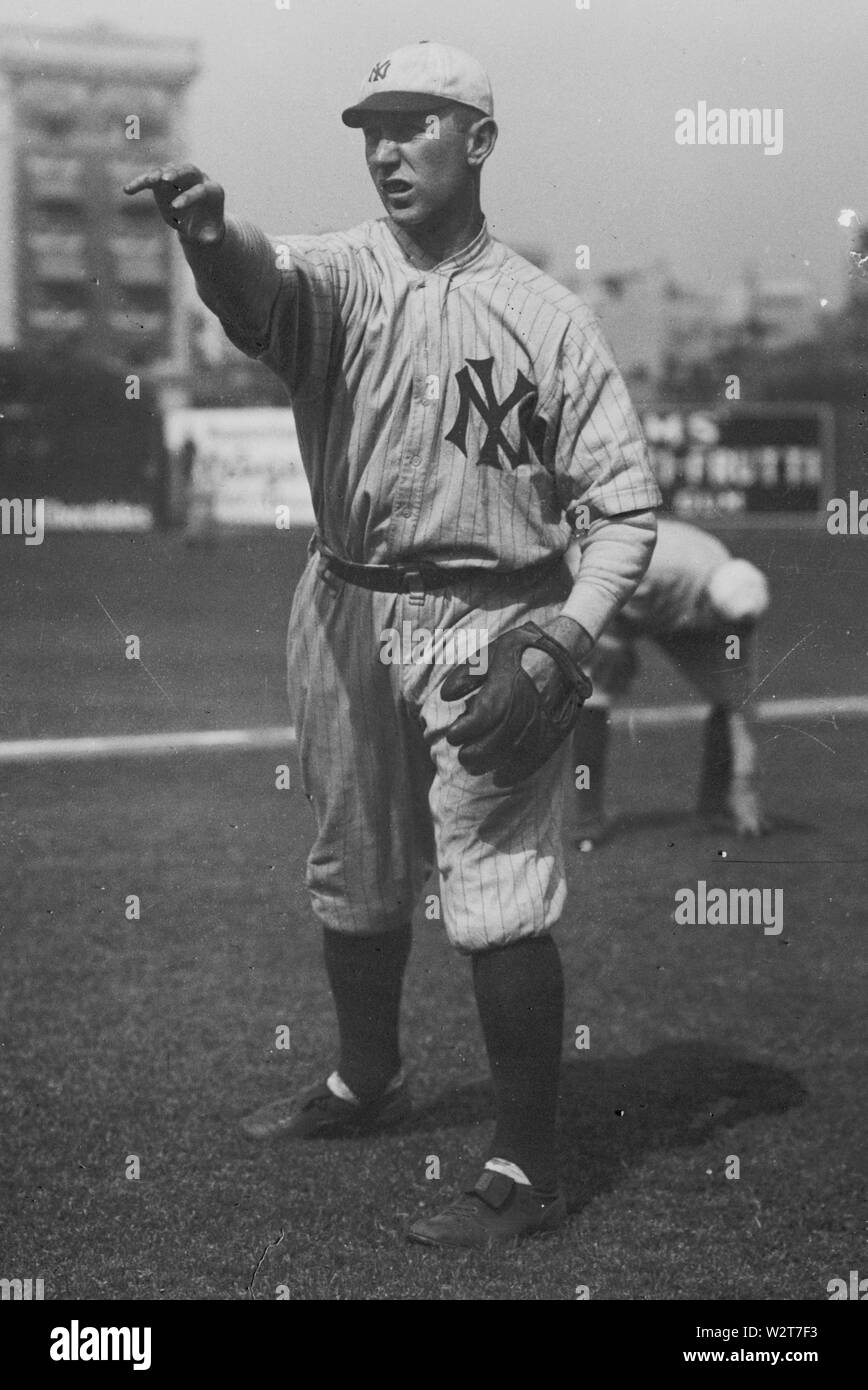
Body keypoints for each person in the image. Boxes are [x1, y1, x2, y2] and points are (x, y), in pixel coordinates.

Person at [125, 40, 661, 1249]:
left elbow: (624, 512)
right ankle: (368, 1081)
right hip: (347, 600)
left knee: (494, 881)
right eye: (372, 124)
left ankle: (526, 1167)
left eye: (415, 122)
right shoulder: (343, 274)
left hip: (491, 613)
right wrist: (209, 238)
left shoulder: (548, 320)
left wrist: (568, 637)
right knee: (353, 857)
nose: (385, 146)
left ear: (476, 141)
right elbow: (262, 284)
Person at [571, 516, 771, 850]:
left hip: (676, 613)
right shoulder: (655, 567)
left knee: (728, 696)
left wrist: (745, 784)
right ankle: (587, 819)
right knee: (593, 692)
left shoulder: (736, 598)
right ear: (707, 602)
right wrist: (614, 644)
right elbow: (586, 581)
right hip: (605, 593)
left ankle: (715, 809)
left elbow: (741, 700)